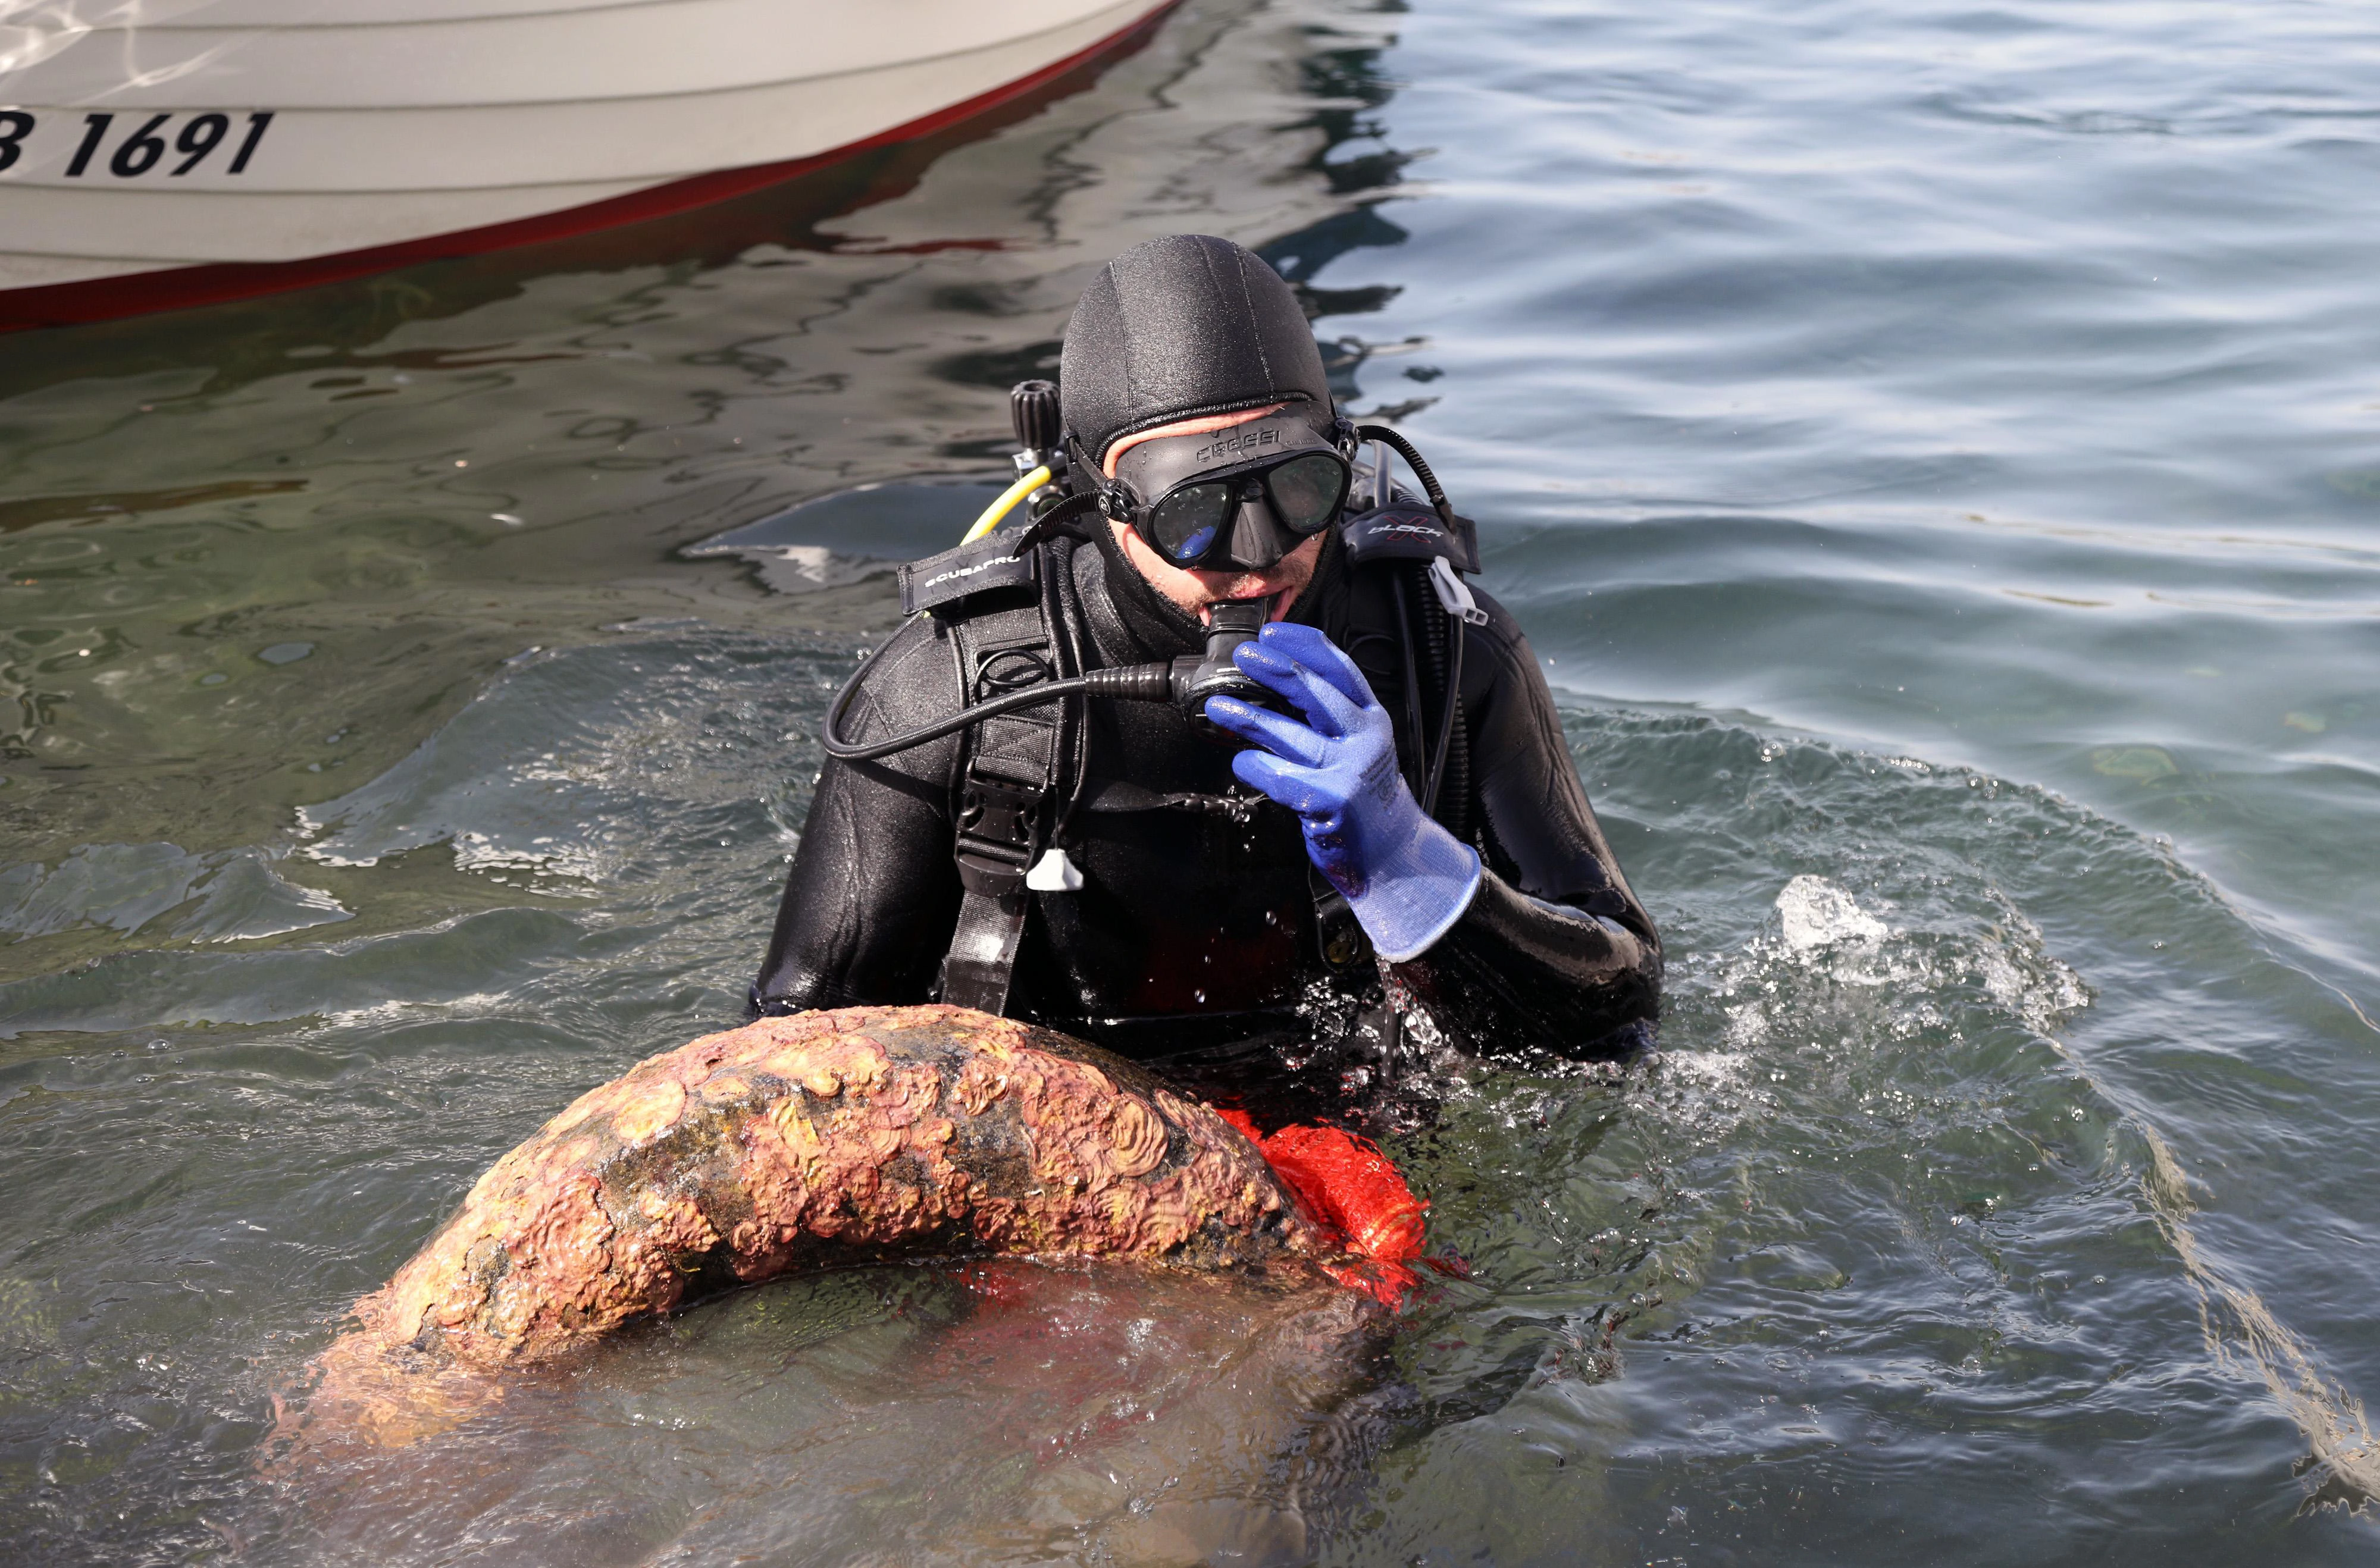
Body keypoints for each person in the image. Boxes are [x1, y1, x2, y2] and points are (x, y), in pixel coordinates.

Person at [751, 234, 1657, 1115]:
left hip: (1364, 1121)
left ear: (1342, 453)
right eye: (1195, 514)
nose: (1259, 557)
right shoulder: (952, 692)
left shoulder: (1442, 646)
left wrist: (1414, 872)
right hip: (1064, 1149)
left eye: (1297, 489)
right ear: (1105, 505)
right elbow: (789, 1068)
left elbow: (1619, 1020)